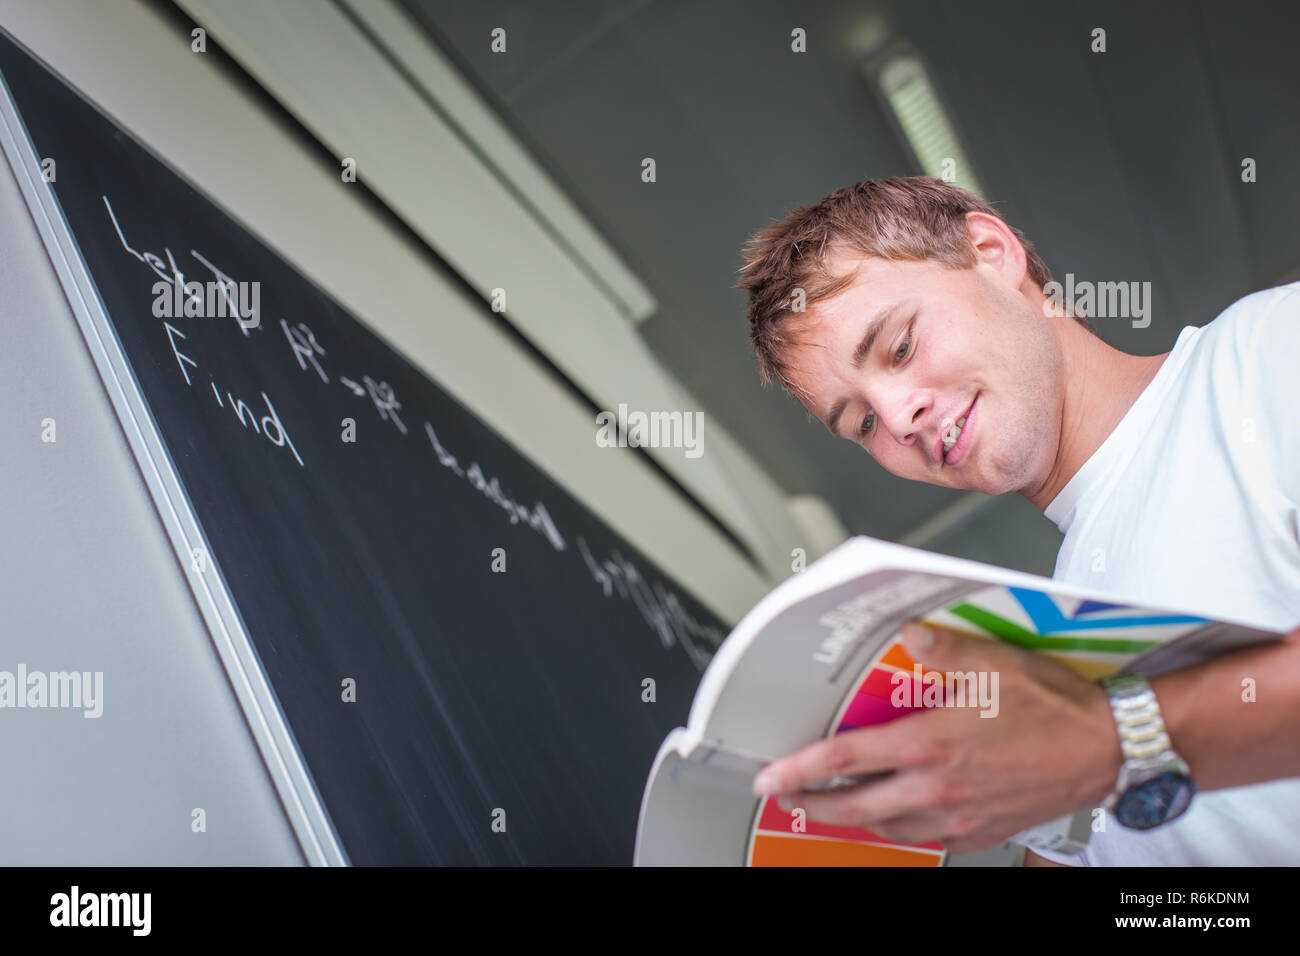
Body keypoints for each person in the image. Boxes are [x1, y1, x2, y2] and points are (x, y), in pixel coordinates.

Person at [735, 176, 1300, 865]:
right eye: (861, 422)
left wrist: (1108, 744)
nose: (898, 417)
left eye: (901, 347)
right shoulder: (1055, 645)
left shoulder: (1267, 355)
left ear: (990, 252)